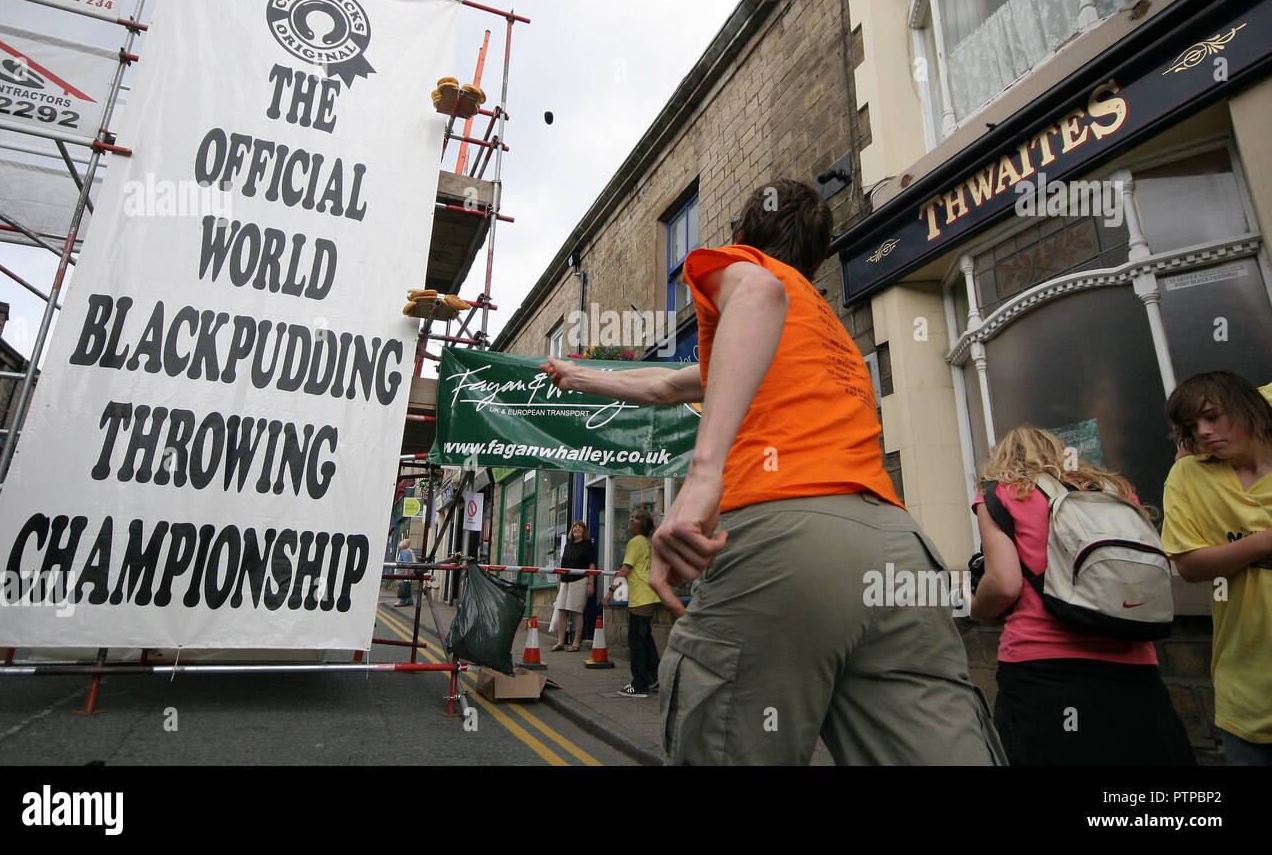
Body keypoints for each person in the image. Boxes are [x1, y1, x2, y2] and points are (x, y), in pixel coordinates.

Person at [541, 179, 1003, 764]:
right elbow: (665, 384)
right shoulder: (821, 325)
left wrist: (703, 477)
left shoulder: (751, 272)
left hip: (788, 538)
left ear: (741, 234)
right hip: (898, 549)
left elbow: (756, 293)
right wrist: (581, 377)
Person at [971, 426, 1194, 765]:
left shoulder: (1000, 492)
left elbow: (1003, 583)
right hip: (1134, 669)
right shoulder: (1116, 492)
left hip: (1043, 669)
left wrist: (976, 609)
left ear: (1002, 459)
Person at [1162, 371, 1272, 765]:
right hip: (1248, 693)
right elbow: (1189, 564)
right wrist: (1262, 542)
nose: (1203, 433)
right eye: (1192, 427)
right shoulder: (1189, 475)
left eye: (1212, 417)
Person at [602, 509, 662, 697]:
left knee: (636, 642)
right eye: (631, 516)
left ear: (643, 524)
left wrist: (610, 593)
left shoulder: (635, 542)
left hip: (641, 597)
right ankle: (653, 677)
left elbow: (625, 569)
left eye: (636, 518)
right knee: (645, 639)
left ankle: (639, 685)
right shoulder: (646, 543)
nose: (631, 520)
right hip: (649, 595)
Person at [551, 520, 595, 652]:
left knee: (577, 611)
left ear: (584, 531)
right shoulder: (568, 545)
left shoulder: (587, 545)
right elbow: (563, 564)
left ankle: (576, 643)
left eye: (580, 527)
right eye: (575, 527)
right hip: (565, 580)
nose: (577, 529)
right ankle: (560, 641)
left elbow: (591, 565)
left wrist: (590, 583)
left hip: (580, 580)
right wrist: (559, 580)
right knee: (561, 610)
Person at [393, 537, 416, 607]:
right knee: (407, 586)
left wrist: (406, 574)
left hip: (404, 573)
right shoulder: (410, 551)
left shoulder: (404, 552)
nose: (400, 545)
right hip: (410, 572)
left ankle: (402, 601)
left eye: (401, 543)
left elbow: (406, 564)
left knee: (403, 587)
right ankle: (409, 600)